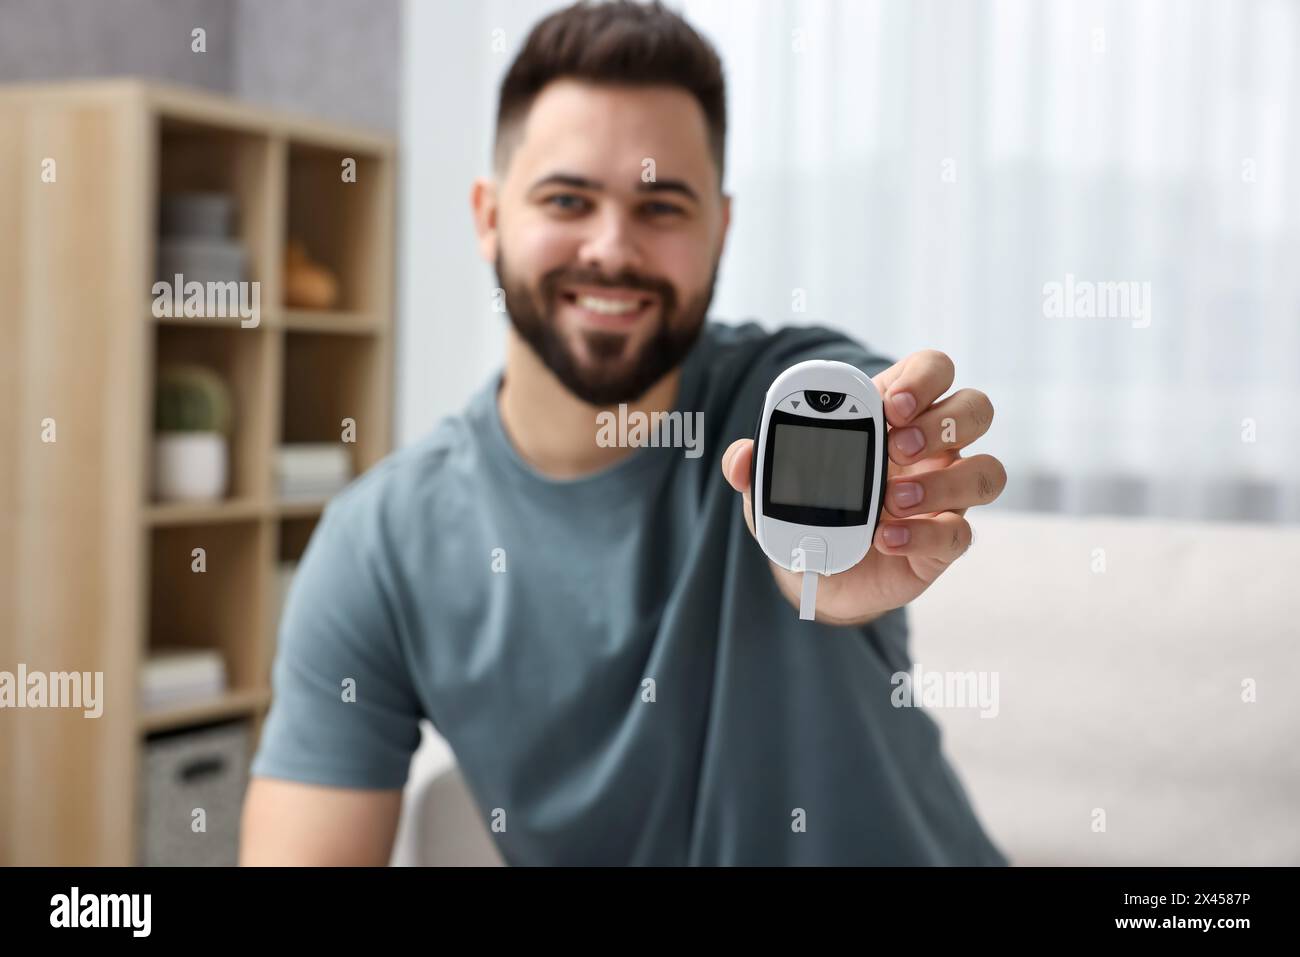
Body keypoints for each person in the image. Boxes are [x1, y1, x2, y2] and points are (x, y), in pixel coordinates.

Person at [241, 0, 1008, 866]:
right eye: (568, 198)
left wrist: (894, 463)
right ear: (489, 216)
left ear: (720, 228)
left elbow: (858, 392)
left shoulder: (775, 401)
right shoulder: (379, 546)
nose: (612, 247)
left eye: (661, 206)